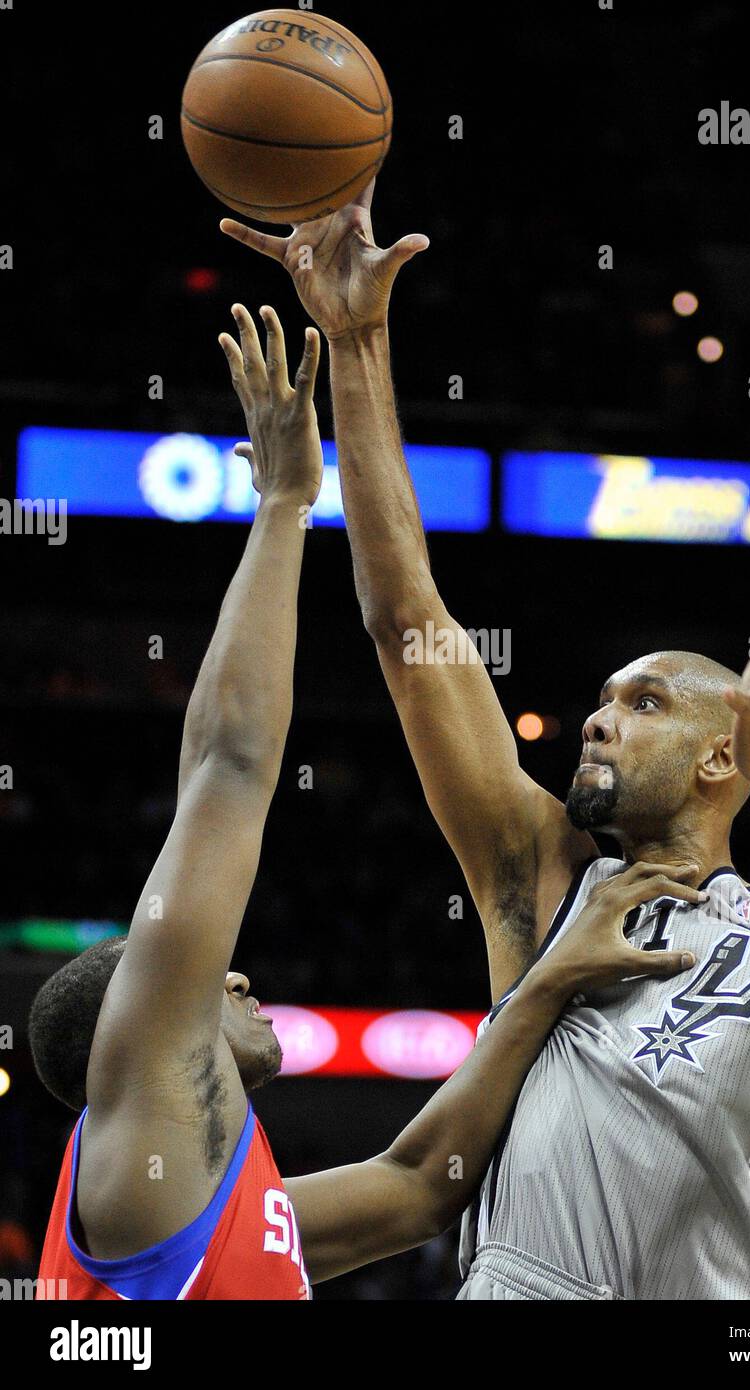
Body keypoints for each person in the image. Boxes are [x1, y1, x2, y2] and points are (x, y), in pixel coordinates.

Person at [221, 186, 750, 1300]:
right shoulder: (546, 874)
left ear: (726, 756)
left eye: (641, 704)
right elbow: (408, 621)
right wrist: (355, 338)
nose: (594, 718)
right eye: (602, 699)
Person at [31, 305, 701, 1301]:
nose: (236, 973)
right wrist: (282, 504)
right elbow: (226, 764)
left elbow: (421, 1186)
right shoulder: (139, 1124)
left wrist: (547, 983)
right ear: (139, 1022)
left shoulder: (225, 1198)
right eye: (203, 976)